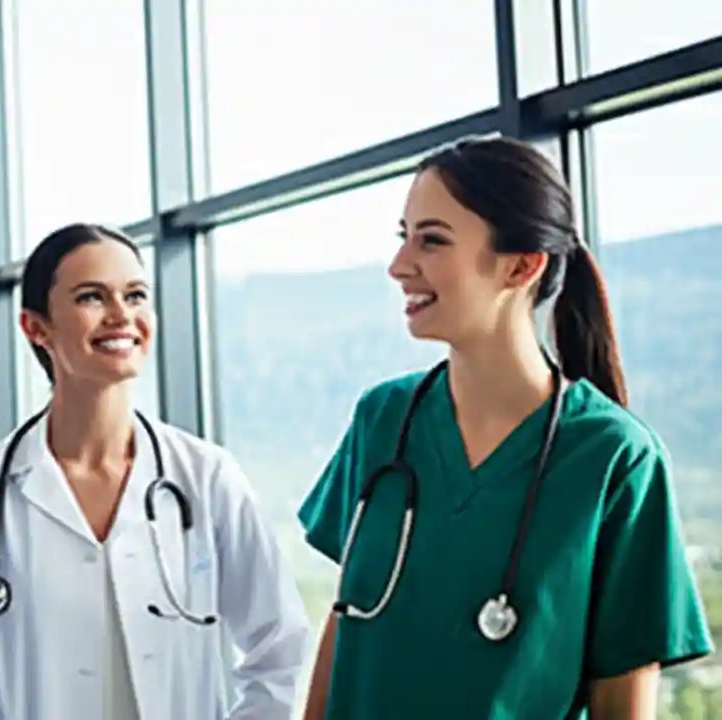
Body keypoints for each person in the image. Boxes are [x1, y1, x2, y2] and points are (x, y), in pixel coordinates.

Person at [298, 136, 712, 719]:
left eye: (432, 240)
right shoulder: (382, 421)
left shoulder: (614, 457)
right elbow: (348, 625)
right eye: (404, 237)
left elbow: (624, 691)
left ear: (521, 265)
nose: (399, 266)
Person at [0, 223, 309, 718]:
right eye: (91, 297)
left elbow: (280, 646)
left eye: (136, 295)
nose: (121, 315)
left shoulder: (207, 479)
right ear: (36, 328)